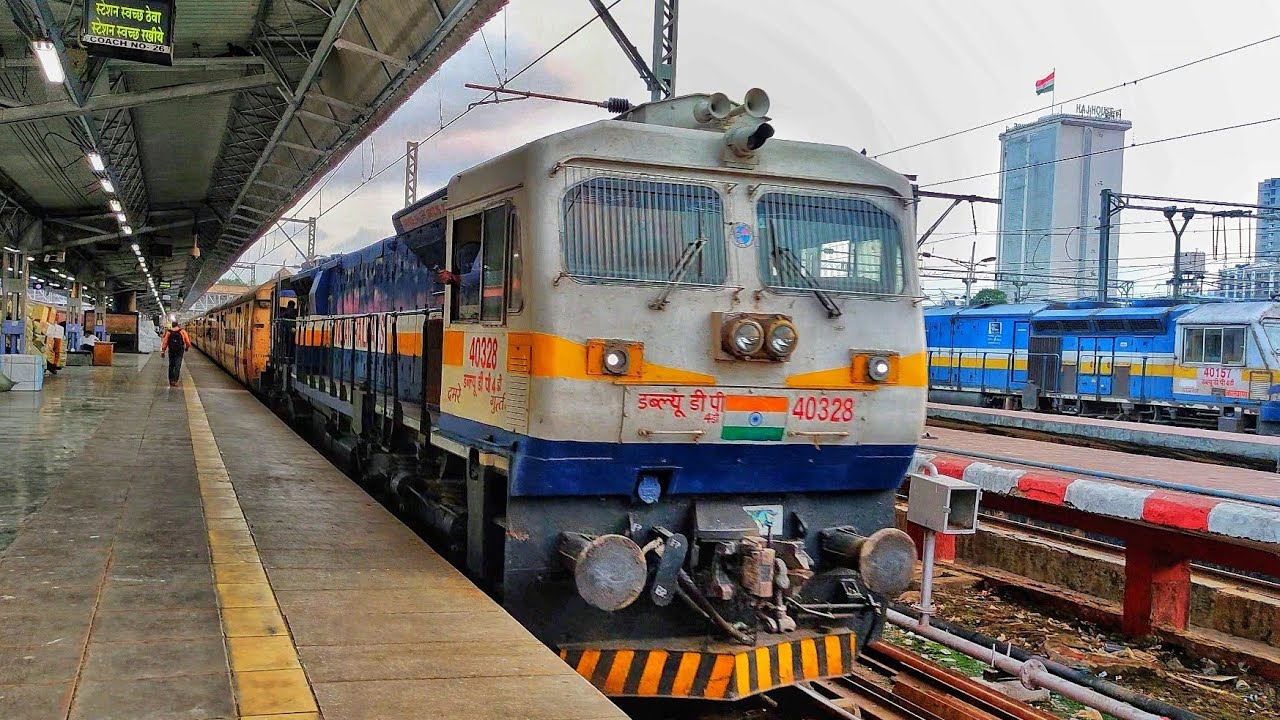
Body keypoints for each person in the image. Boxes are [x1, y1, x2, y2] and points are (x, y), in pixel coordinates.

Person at [160, 322, 191, 388]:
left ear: (172, 325)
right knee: (177, 365)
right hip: (179, 351)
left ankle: (171, 380)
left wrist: (163, 350)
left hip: (171, 350)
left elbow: (165, 342)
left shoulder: (169, 332)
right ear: (178, 325)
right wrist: (187, 347)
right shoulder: (182, 331)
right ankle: (175, 381)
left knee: (171, 365)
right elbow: (187, 341)